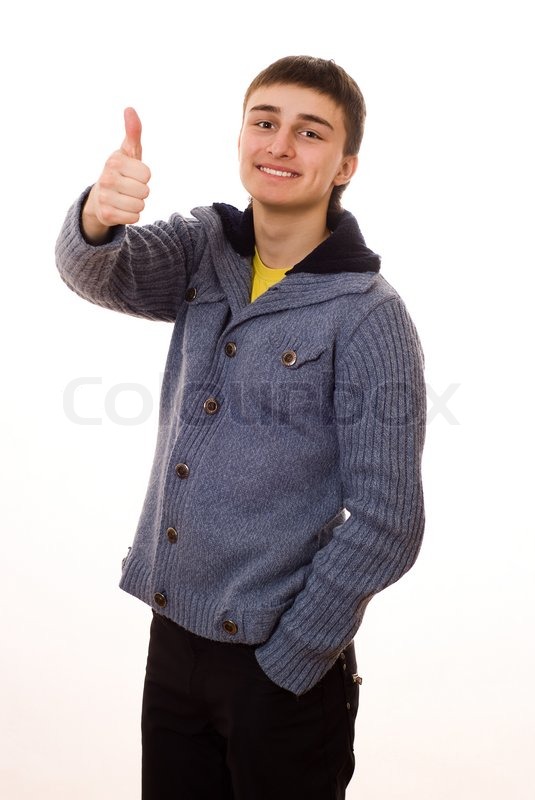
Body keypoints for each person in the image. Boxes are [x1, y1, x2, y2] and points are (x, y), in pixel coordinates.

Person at [56, 55, 426, 800]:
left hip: (279, 669)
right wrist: (99, 215)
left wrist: (293, 654)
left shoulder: (367, 315)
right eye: (264, 122)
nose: (279, 145)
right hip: (173, 647)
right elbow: (99, 273)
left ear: (345, 163)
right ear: (241, 139)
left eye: (308, 131)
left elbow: (388, 521)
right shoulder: (203, 247)